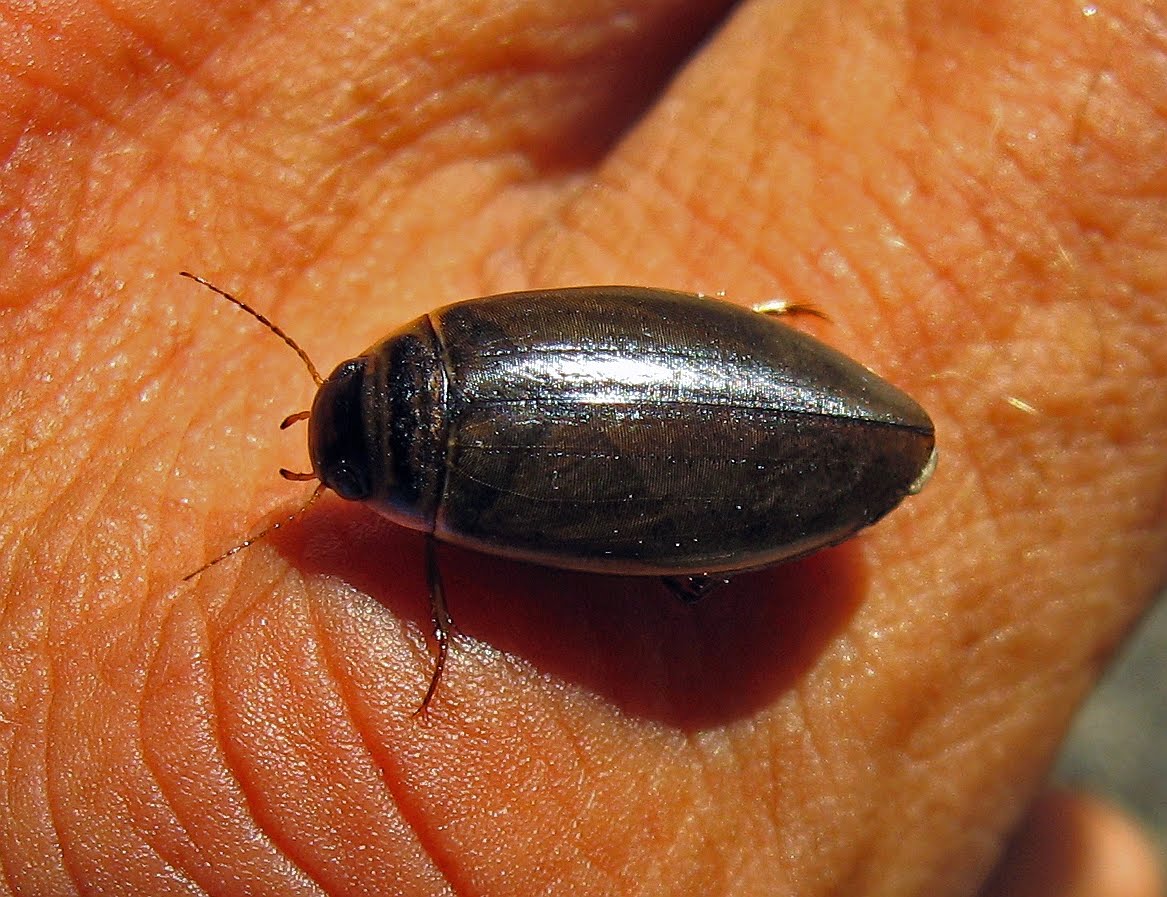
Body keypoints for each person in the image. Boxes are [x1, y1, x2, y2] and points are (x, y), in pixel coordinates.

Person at [0, 1, 1161, 895]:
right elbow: (618, 314)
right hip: (747, 399)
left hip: (757, 440)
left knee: (669, 574)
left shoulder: (467, 506)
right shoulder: (465, 344)